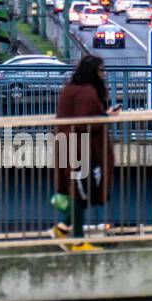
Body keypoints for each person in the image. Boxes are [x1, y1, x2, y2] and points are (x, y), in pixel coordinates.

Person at [53, 55, 118, 241]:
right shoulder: (87, 93)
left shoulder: (70, 89)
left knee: (78, 191)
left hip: (66, 144)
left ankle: (64, 230)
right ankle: (76, 239)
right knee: (83, 191)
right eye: (101, 70)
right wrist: (105, 118)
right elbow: (84, 122)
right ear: (93, 72)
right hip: (81, 148)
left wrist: (102, 114)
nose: (103, 74)